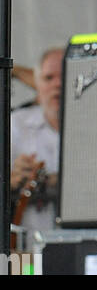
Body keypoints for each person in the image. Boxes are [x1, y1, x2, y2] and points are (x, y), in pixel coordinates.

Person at [10, 47, 63, 241]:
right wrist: (10, 180)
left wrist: (51, 180)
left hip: (80, 249)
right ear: (37, 86)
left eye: (64, 76)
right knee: (17, 269)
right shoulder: (14, 124)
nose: (58, 84)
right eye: (49, 78)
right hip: (25, 251)